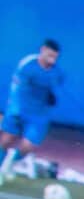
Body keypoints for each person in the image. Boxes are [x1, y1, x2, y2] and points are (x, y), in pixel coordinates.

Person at [0, 39, 62, 183]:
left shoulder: (57, 73)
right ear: (43, 50)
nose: (52, 61)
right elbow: (16, 88)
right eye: (50, 56)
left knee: (29, 145)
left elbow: (54, 93)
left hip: (39, 114)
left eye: (55, 58)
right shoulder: (28, 65)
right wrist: (14, 109)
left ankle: (9, 164)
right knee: (6, 140)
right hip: (19, 108)